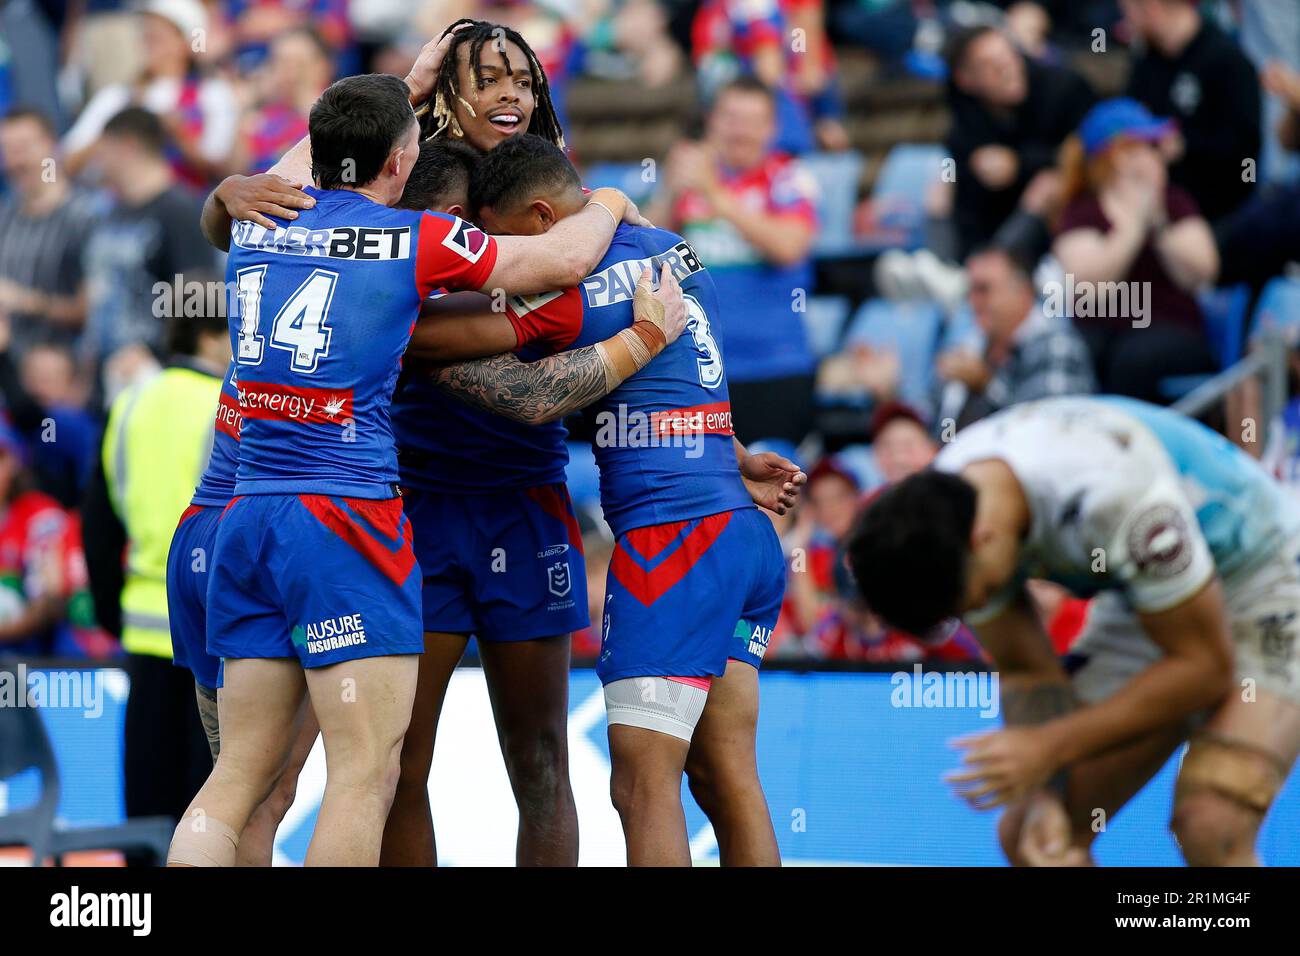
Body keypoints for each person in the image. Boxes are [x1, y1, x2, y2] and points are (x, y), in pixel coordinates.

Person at [168, 37, 647, 867]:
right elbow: (549, 284)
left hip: (268, 509)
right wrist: (584, 269)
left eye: (523, 79)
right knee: (373, 775)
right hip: (374, 514)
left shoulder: (266, 220)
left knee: (252, 779)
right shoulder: (417, 224)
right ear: (406, 151)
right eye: (488, 78)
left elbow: (233, 213)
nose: (513, 93)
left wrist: (224, 191)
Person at [448, 133, 805, 866]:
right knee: (728, 777)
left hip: (674, 545)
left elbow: (490, 370)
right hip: (740, 531)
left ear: (544, 219)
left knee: (642, 790)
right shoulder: (670, 245)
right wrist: (734, 458)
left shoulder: (562, 286)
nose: (497, 261)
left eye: (501, 240)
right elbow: (681, 377)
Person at [848, 396, 1300, 866]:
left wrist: (1048, 749)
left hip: (1266, 577)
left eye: (976, 598)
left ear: (984, 538)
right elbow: (1025, 670)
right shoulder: (946, 516)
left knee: (1212, 823)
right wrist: (1045, 791)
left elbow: (1205, 669)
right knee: (1035, 836)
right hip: (1154, 597)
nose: (979, 612)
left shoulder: (1111, 494)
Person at [80, 274, 230, 842]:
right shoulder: (230, 404)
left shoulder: (132, 401)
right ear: (214, 337)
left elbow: (96, 520)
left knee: (146, 806)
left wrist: (107, 613)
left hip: (143, 632)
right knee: (208, 807)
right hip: (211, 633)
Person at [650, 76, 819, 445]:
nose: (739, 130)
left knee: (773, 484)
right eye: (730, 118)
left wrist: (716, 195)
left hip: (773, 367)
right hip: (696, 369)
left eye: (751, 120)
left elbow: (789, 247)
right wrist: (669, 194)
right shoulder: (689, 179)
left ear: (771, 128)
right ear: (712, 122)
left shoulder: (788, 178)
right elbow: (645, 256)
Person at [1052, 98, 1219, 403]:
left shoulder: (1173, 202)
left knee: (1134, 359)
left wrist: (1157, 224)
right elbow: (1090, 290)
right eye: (1151, 147)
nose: (1162, 156)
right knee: (1069, 350)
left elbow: (1202, 272)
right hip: (1101, 330)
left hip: (1171, 332)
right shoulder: (1081, 211)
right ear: (1119, 156)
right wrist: (1132, 227)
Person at [81, 106, 215, 401]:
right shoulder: (112, 212)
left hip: (153, 379)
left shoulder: (180, 211)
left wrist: (154, 353)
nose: (98, 160)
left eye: (104, 150)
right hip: (107, 377)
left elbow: (201, 300)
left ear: (128, 146)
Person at [944, 25, 1095, 259]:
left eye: (1009, 57)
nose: (1006, 69)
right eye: (989, 65)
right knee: (944, 179)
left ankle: (998, 265)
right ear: (965, 80)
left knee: (1046, 185)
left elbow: (1092, 151)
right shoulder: (964, 124)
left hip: (1073, 205)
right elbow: (965, 197)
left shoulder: (1065, 88)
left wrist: (1019, 164)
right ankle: (952, 267)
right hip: (1001, 214)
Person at [63, 0, 238, 189]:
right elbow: (67, 163)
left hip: (190, 209)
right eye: (147, 30)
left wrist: (178, 132)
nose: (149, 34)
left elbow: (222, 169)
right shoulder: (116, 96)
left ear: (187, 43)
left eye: (162, 30)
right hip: (121, 210)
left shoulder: (213, 93)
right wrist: (118, 129)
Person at [1121, 0, 1261, 224]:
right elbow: (1128, 114)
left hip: (1215, 212)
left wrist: (1185, 145)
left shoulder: (1228, 62)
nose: (1125, 23)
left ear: (1152, 9)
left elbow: (1245, 151)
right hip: (1147, 200)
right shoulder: (1147, 58)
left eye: (1128, 13)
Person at [934, 245, 1095, 431]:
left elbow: (1047, 433)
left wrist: (986, 385)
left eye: (984, 289)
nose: (973, 302)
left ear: (1022, 291)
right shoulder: (970, 347)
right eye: (970, 291)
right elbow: (940, 428)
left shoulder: (1056, 345)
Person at [0, 109, 98, 356]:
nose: (14, 161)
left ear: (52, 147)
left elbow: (93, 310)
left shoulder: (85, 215)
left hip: (66, 370)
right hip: (11, 371)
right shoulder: (6, 218)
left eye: (23, 148)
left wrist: (26, 302)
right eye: (7, 151)